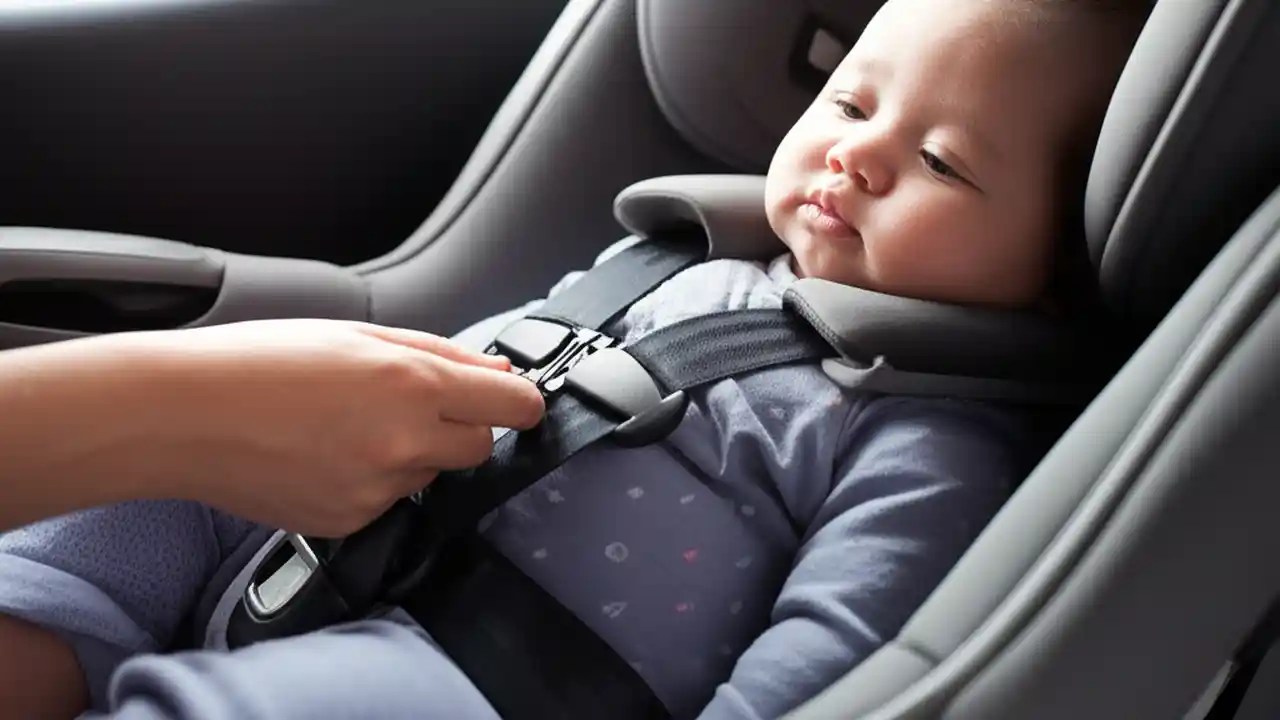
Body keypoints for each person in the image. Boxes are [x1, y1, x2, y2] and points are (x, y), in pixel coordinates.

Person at [0, 0, 1146, 718]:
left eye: (939, 163)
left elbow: (839, 647)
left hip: (496, 676)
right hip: (335, 518)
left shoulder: (927, 432)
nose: (854, 156)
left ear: (1054, 264)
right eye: (850, 99)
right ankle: (38, 642)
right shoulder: (670, 257)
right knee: (154, 483)